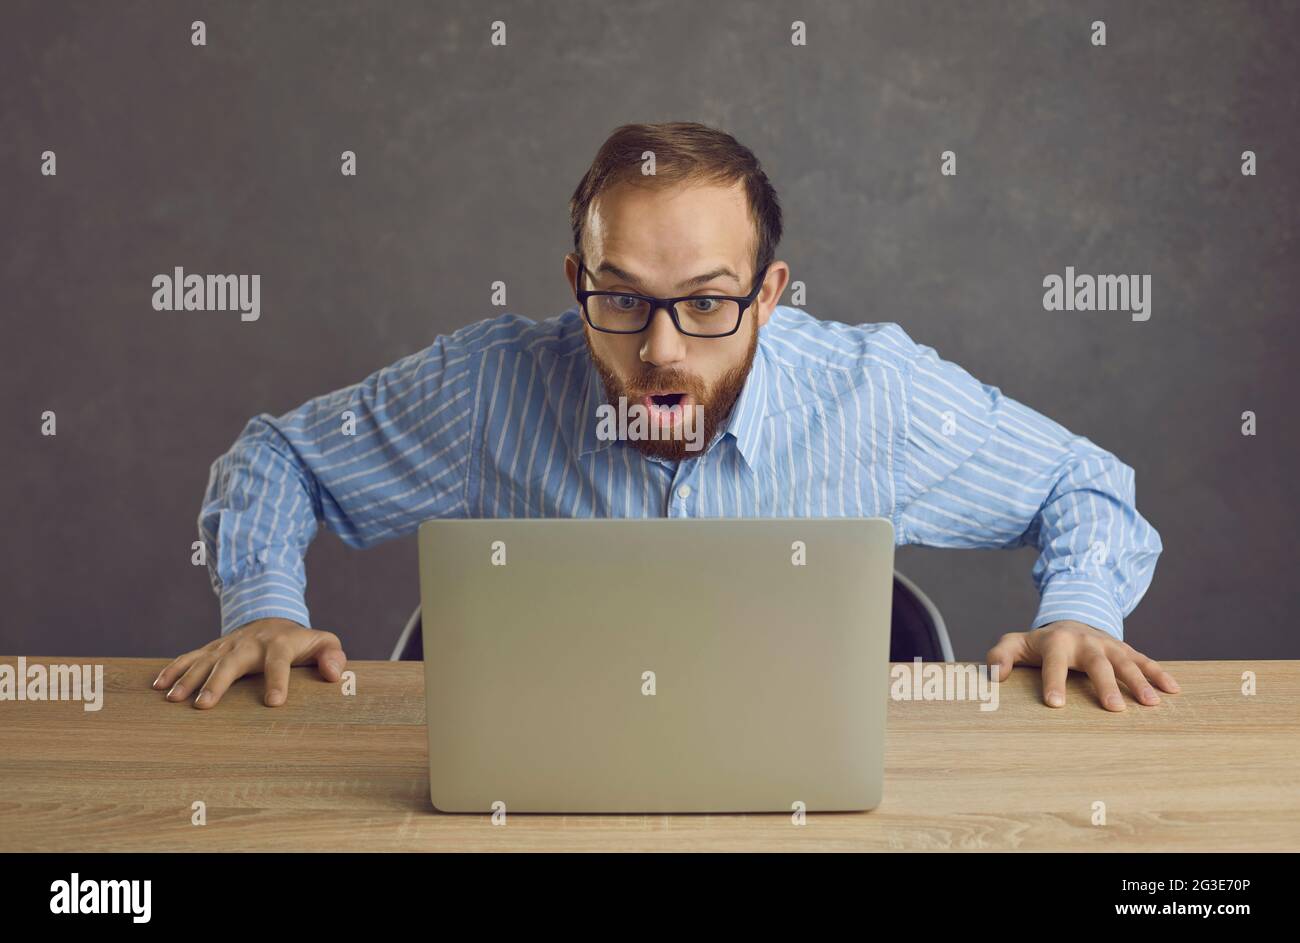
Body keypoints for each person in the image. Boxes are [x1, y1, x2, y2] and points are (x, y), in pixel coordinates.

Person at [154, 121, 1177, 713]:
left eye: (706, 300)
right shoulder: (486, 385)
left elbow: (1081, 484)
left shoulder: (876, 394)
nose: (661, 350)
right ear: (575, 281)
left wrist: (1079, 612)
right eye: (621, 298)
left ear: (770, 294)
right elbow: (276, 459)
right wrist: (262, 607)